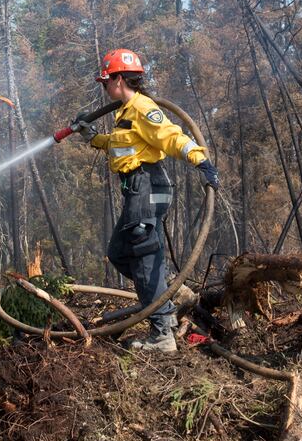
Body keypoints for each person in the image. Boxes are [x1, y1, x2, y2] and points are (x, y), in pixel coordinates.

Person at [71, 48, 219, 353]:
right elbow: (119, 146)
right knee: (119, 252)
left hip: (148, 185)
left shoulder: (143, 108)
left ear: (119, 79)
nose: (105, 88)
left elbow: (170, 136)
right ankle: (166, 296)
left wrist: (200, 161)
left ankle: (163, 333)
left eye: (106, 82)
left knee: (142, 251)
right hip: (135, 189)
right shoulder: (124, 113)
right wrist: (91, 137)